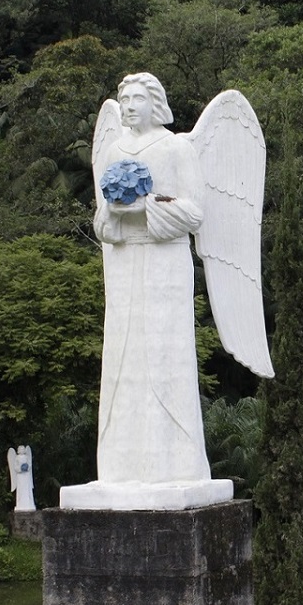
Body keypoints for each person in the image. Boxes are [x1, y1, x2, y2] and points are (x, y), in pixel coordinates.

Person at [90, 73, 212, 489]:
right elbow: (100, 223)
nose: (127, 106)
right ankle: (121, 469)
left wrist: (146, 206)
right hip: (124, 264)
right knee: (123, 358)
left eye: (136, 98)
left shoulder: (177, 148)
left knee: (165, 359)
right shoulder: (112, 149)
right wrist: (114, 215)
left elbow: (195, 213)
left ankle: (177, 466)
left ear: (155, 102)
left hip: (164, 262)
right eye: (123, 99)